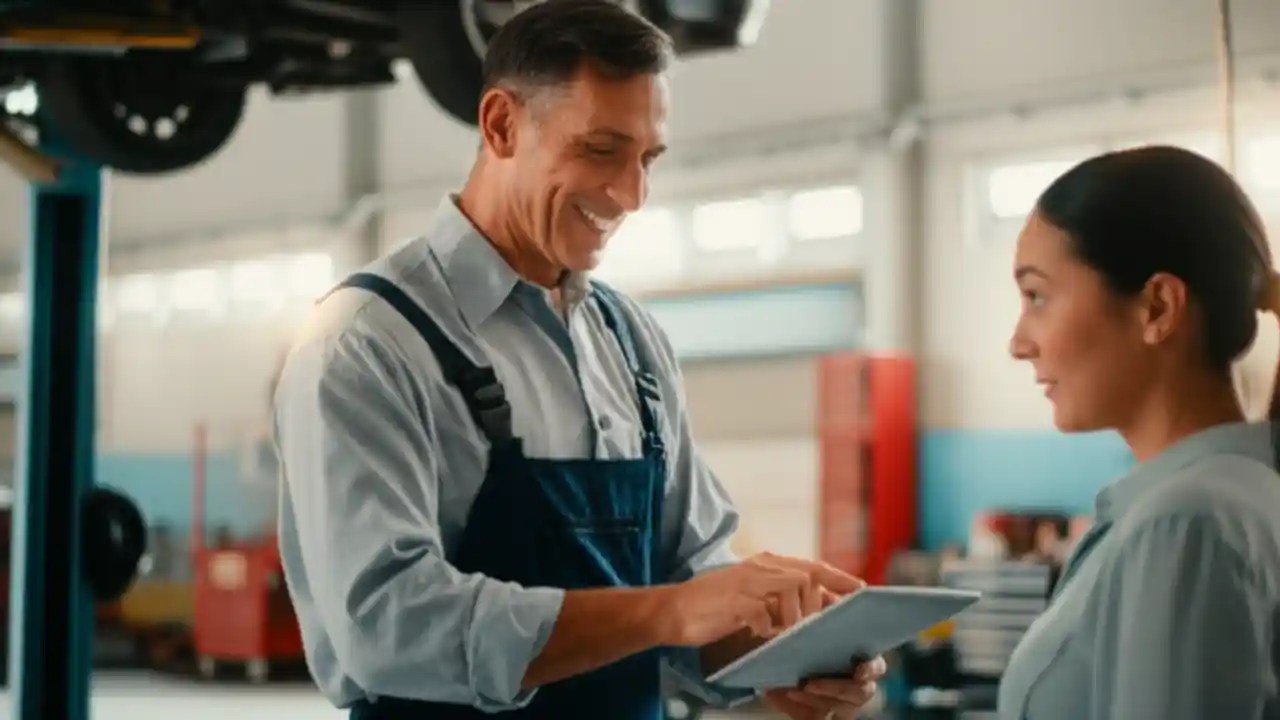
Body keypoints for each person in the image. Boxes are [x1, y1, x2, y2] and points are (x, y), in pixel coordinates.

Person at [272, 2, 885, 718]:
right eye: (600, 149)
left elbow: (692, 580)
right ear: (501, 125)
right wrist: (671, 613)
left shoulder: (633, 342)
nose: (631, 195)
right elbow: (387, 626)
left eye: (647, 159)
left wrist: (781, 654)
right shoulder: (366, 342)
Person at [998, 145, 1280, 719]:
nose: (1018, 343)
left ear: (1157, 307)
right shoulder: (1235, 497)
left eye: (1037, 296)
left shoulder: (1185, 523)